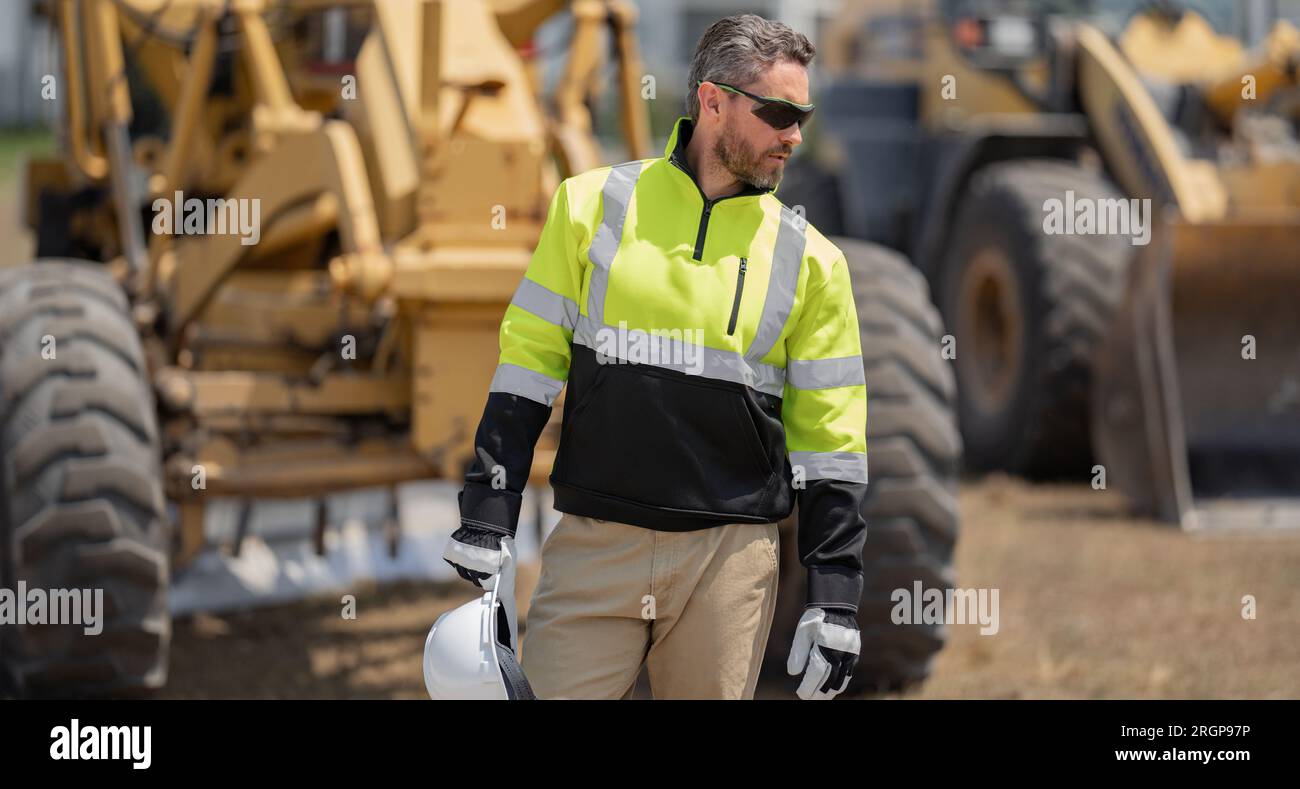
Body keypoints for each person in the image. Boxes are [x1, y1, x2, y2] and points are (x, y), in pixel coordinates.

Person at [442, 13, 867, 700]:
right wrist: (489, 512)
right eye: (779, 113)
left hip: (728, 563)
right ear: (713, 100)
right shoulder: (589, 208)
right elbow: (528, 366)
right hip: (593, 549)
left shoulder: (815, 263)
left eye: (803, 117)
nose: (794, 136)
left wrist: (836, 596)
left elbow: (832, 443)